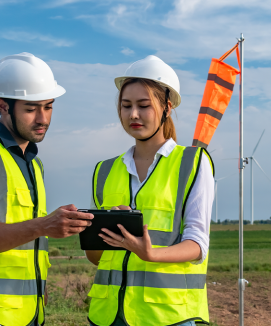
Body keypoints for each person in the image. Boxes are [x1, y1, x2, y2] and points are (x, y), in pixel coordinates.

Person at [86, 55, 215, 326]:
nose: (133, 114)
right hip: (109, 316)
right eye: (126, 105)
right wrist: (103, 232)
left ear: (167, 107)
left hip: (167, 316)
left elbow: (197, 243)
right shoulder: (104, 171)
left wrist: (150, 253)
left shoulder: (192, 162)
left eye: (143, 105)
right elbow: (95, 258)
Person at [0, 52, 94, 326]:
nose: (43, 118)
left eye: (49, 106)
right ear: (3, 106)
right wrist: (43, 225)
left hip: (29, 315)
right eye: (31, 109)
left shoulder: (34, 163)